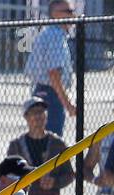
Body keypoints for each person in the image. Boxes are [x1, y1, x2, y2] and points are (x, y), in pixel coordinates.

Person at [23, 0, 77, 135]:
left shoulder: (52, 33)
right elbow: (54, 74)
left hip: (44, 91)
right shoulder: (55, 36)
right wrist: (68, 104)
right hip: (50, 94)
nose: (73, 15)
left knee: (43, 139)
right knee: (52, 142)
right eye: (68, 11)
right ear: (55, 14)